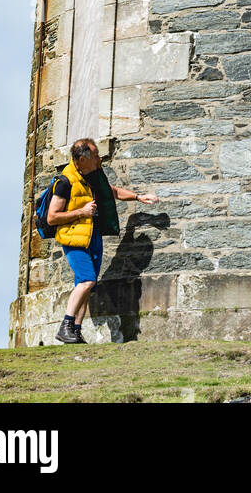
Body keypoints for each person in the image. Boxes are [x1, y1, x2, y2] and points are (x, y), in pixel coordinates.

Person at [47, 137, 158, 345]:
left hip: (93, 236)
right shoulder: (65, 182)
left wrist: (138, 197)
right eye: (96, 155)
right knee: (87, 280)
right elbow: (52, 217)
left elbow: (113, 191)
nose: (100, 158)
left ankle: (75, 332)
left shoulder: (94, 174)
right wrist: (81, 211)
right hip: (74, 238)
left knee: (87, 285)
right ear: (82, 159)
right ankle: (66, 326)